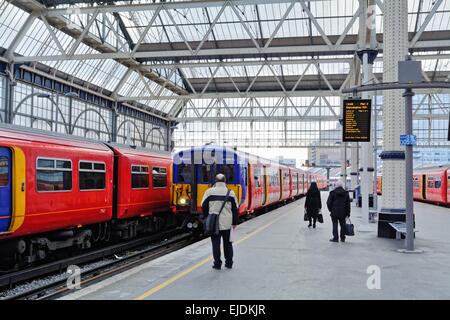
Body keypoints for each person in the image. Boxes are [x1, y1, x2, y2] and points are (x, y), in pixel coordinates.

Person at [201, 173, 239, 270]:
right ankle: (229, 263)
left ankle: (217, 264)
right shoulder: (230, 192)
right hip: (227, 223)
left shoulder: (209, 192)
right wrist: (235, 223)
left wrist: (207, 216)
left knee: (215, 244)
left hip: (214, 224)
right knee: (228, 243)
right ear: (225, 181)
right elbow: (235, 209)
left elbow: (203, 205)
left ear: (215, 181)